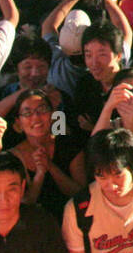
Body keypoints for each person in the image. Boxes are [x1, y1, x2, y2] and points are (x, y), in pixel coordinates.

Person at [7, 87, 86, 219]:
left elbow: (81, 195)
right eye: (27, 113)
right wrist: (40, 173)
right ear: (18, 123)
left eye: (42, 110)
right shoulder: (14, 156)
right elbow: (25, 202)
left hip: (73, 218)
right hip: (33, 225)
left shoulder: (70, 145)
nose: (36, 117)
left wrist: (50, 166)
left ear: (53, 115)